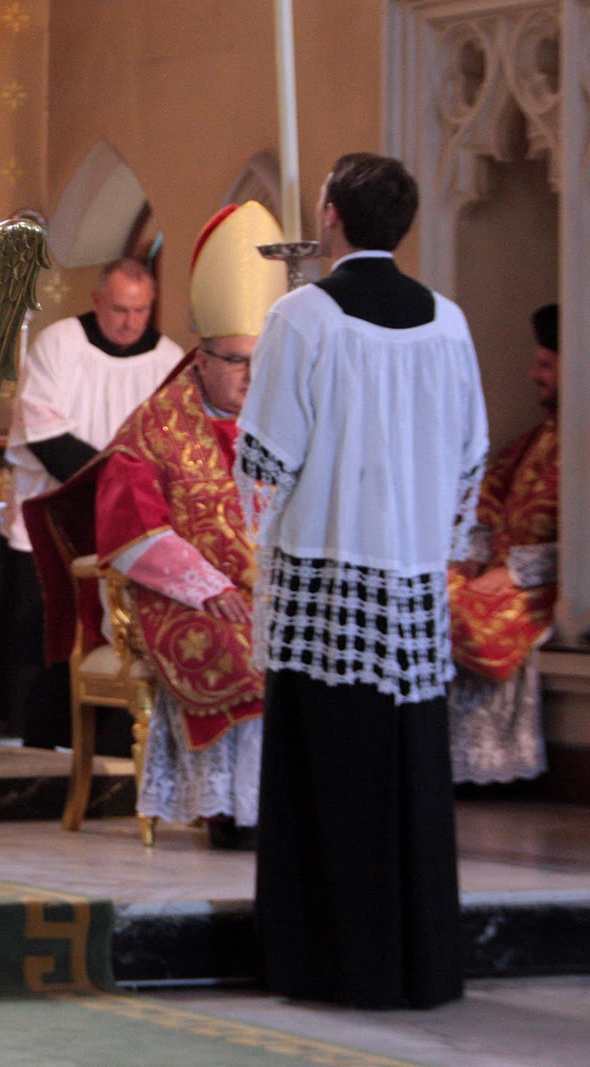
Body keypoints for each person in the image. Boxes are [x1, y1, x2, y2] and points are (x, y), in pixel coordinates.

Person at [237, 152, 487, 1009]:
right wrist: (420, 531)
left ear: (333, 216)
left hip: (324, 579)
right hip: (410, 583)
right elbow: (469, 456)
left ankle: (325, 962)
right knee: (407, 774)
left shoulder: (304, 316)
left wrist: (261, 535)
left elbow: (266, 453)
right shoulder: (446, 320)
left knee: (326, 773)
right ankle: (416, 962)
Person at [94, 201, 286, 849]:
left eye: (260, 361)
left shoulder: (284, 418)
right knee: (243, 654)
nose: (249, 377)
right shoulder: (156, 425)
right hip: (183, 598)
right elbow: (131, 529)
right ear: (201, 358)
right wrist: (212, 588)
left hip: (269, 595)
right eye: (235, 361)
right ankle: (234, 814)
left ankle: (298, 810)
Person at [0, 257, 183, 746]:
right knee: (44, 643)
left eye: (140, 311)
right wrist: (119, 486)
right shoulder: (60, 344)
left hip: (132, 528)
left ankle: (115, 740)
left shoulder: (169, 360)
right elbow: (47, 435)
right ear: (97, 301)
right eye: (118, 309)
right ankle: (32, 738)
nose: (129, 321)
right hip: (54, 515)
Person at [449, 303, 560, 783]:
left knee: (467, 615)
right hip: (498, 574)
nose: (533, 374)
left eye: (546, 364)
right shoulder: (533, 440)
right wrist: (473, 557)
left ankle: (490, 766)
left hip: (547, 584)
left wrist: (516, 572)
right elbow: (485, 501)